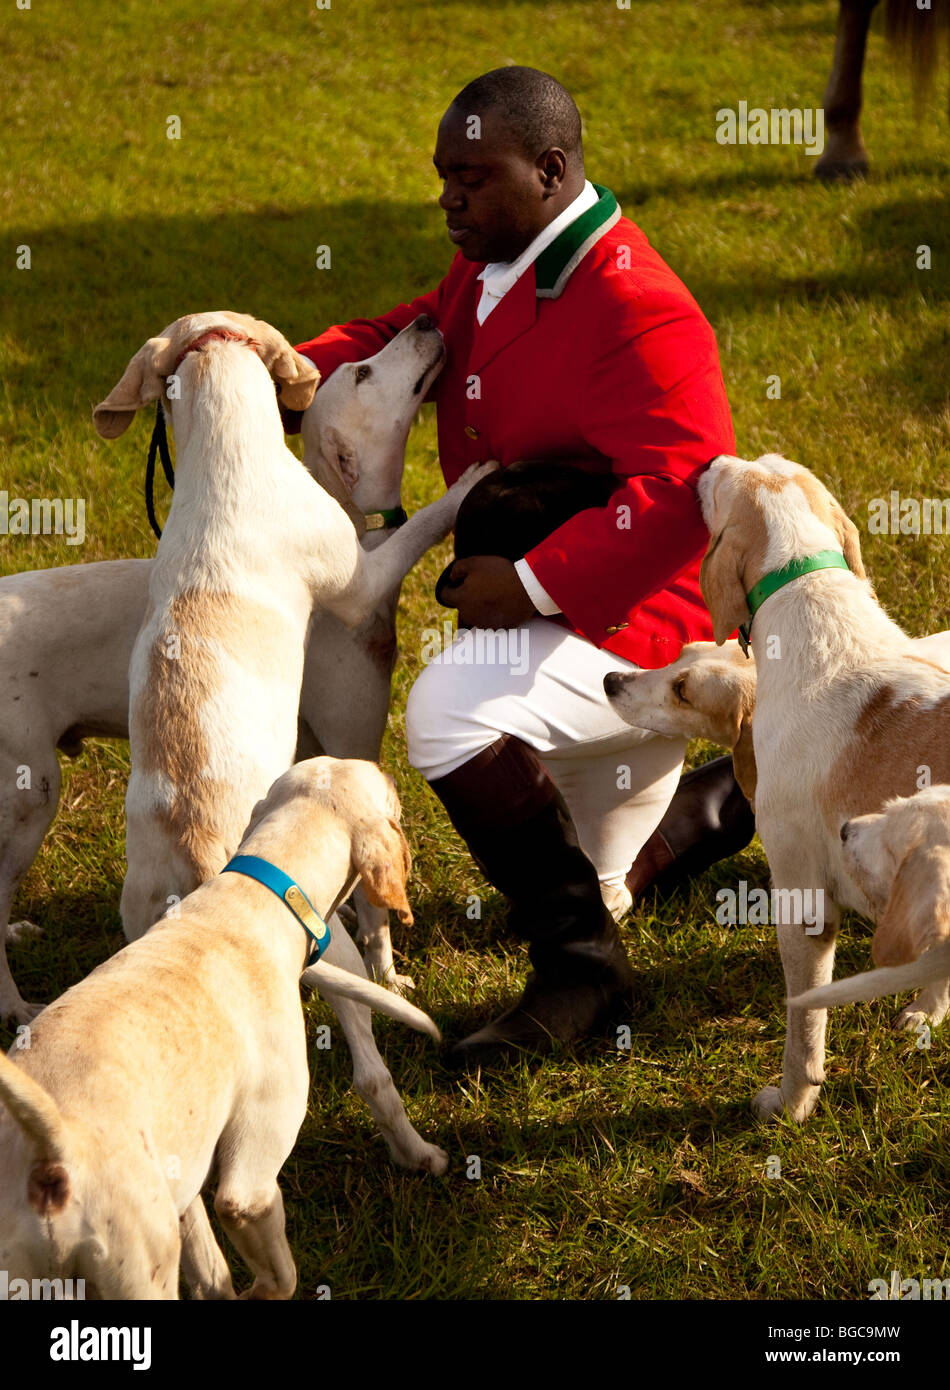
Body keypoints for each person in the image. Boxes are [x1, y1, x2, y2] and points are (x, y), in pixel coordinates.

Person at [285, 67, 754, 1066]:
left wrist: (533, 582)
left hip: (636, 621)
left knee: (447, 708)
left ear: (547, 170)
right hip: (558, 624)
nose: (447, 197)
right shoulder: (501, 256)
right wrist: (274, 365)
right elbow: (403, 330)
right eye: (440, 175)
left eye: (471, 176)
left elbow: (678, 490)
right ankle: (717, 801)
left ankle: (583, 971)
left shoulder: (639, 306)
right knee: (606, 873)